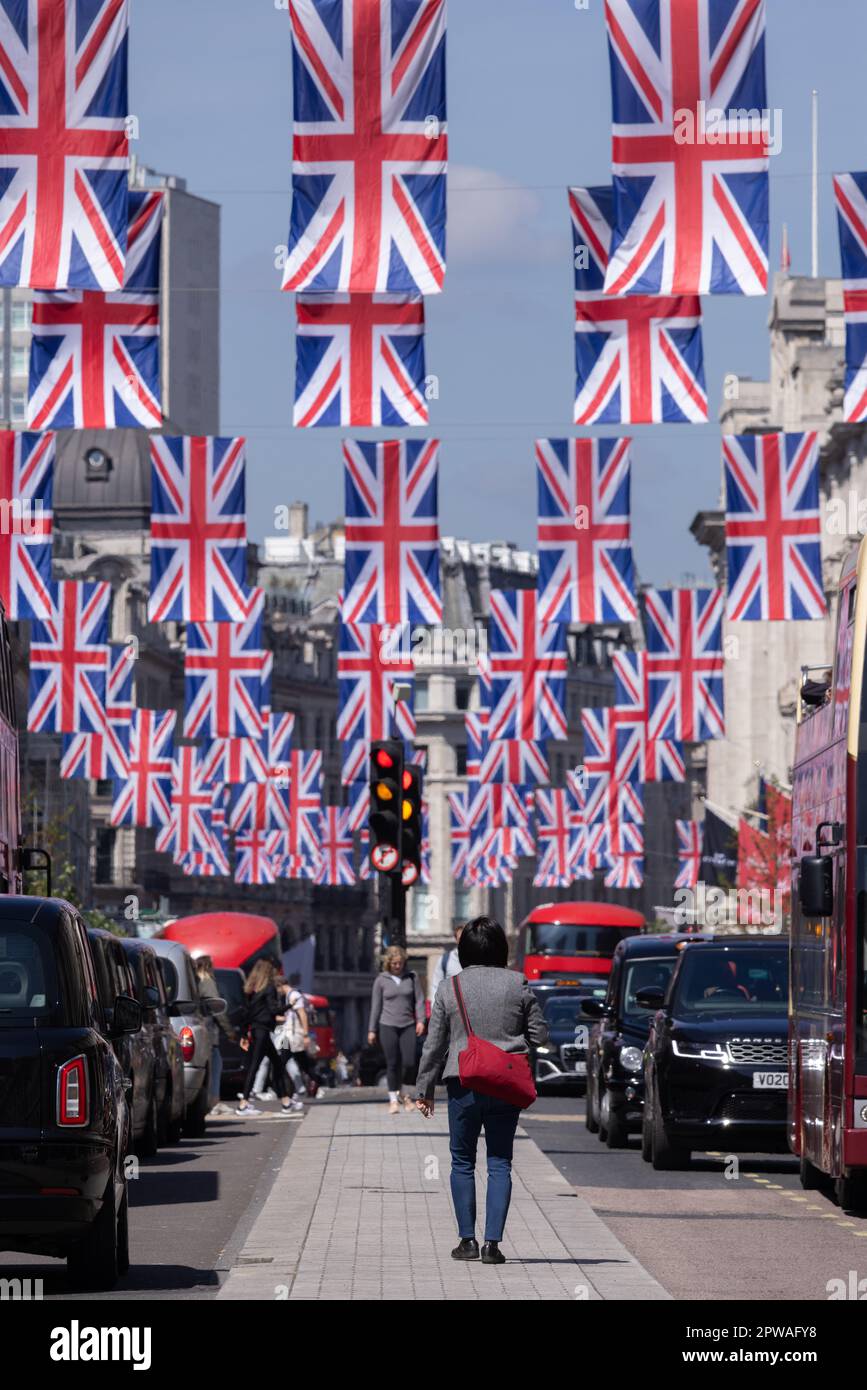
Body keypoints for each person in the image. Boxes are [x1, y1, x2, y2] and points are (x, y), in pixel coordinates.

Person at [415, 916, 548, 1266]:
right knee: (500, 1162)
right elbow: (541, 1035)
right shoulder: (517, 982)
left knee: (462, 1161)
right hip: (504, 1082)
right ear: (502, 948)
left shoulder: (450, 988)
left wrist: (424, 1089)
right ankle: (493, 1244)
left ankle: (467, 1240)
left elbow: (433, 1044)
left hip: (463, 1082)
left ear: (464, 951)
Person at [368, 946, 426, 1115]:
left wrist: (420, 1020)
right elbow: (375, 1006)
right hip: (387, 1025)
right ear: (388, 963)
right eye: (394, 963)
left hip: (407, 1024)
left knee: (408, 1062)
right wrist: (372, 1030)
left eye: (400, 963)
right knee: (392, 1063)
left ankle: (402, 1091)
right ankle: (394, 1100)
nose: (397, 966)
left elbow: (419, 1000)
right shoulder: (381, 980)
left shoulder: (412, 977)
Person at [236, 960, 294, 1116]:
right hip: (263, 1032)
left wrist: (243, 1034)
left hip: (256, 1031)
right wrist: (290, 1005)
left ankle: (286, 1102)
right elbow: (274, 1009)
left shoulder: (251, 991)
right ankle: (243, 1104)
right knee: (255, 1066)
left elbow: (246, 1014)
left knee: (275, 1064)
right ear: (268, 973)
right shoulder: (269, 989)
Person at [194, 955, 237, 1114]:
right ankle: (214, 1101)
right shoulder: (207, 981)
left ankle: (207, 1101)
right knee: (216, 1063)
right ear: (208, 966)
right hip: (208, 1031)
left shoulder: (193, 981)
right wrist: (229, 1031)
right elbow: (218, 1009)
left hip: (196, 1028)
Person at [431, 924, 464, 993]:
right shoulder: (445, 960)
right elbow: (436, 986)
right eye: (460, 939)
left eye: (466, 938)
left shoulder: (478, 959)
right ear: (456, 940)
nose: (464, 941)